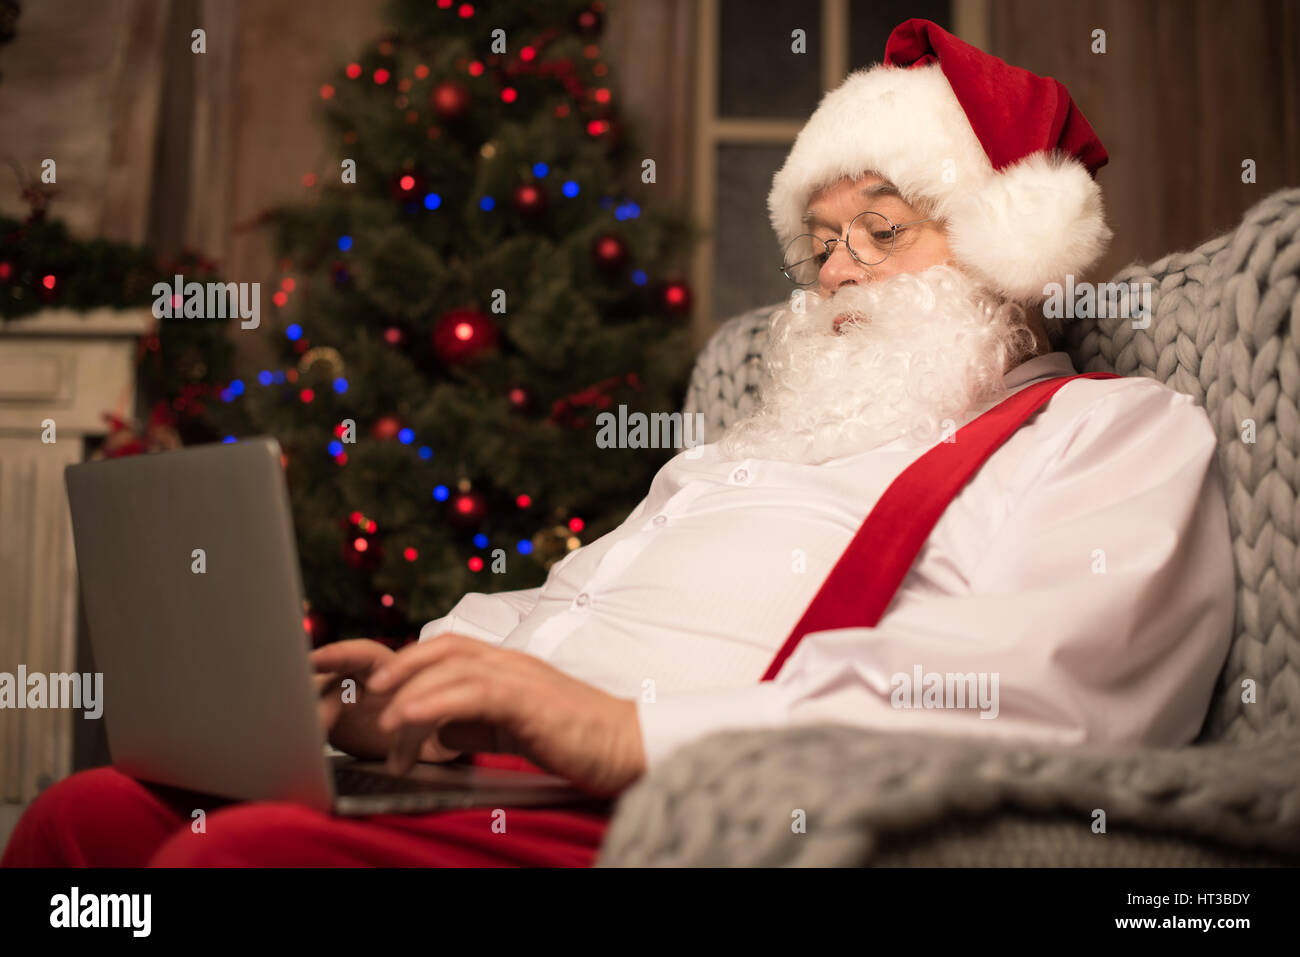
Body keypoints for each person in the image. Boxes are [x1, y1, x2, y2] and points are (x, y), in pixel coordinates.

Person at [2, 18, 1233, 868]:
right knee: (86, 821)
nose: (837, 266)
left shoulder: (1104, 435)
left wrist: (627, 732)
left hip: (700, 819)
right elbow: (573, 608)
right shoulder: (744, 448)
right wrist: (421, 684)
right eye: (820, 241)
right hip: (507, 786)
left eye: (884, 228)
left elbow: (1039, 699)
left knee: (250, 860)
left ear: (1006, 251)